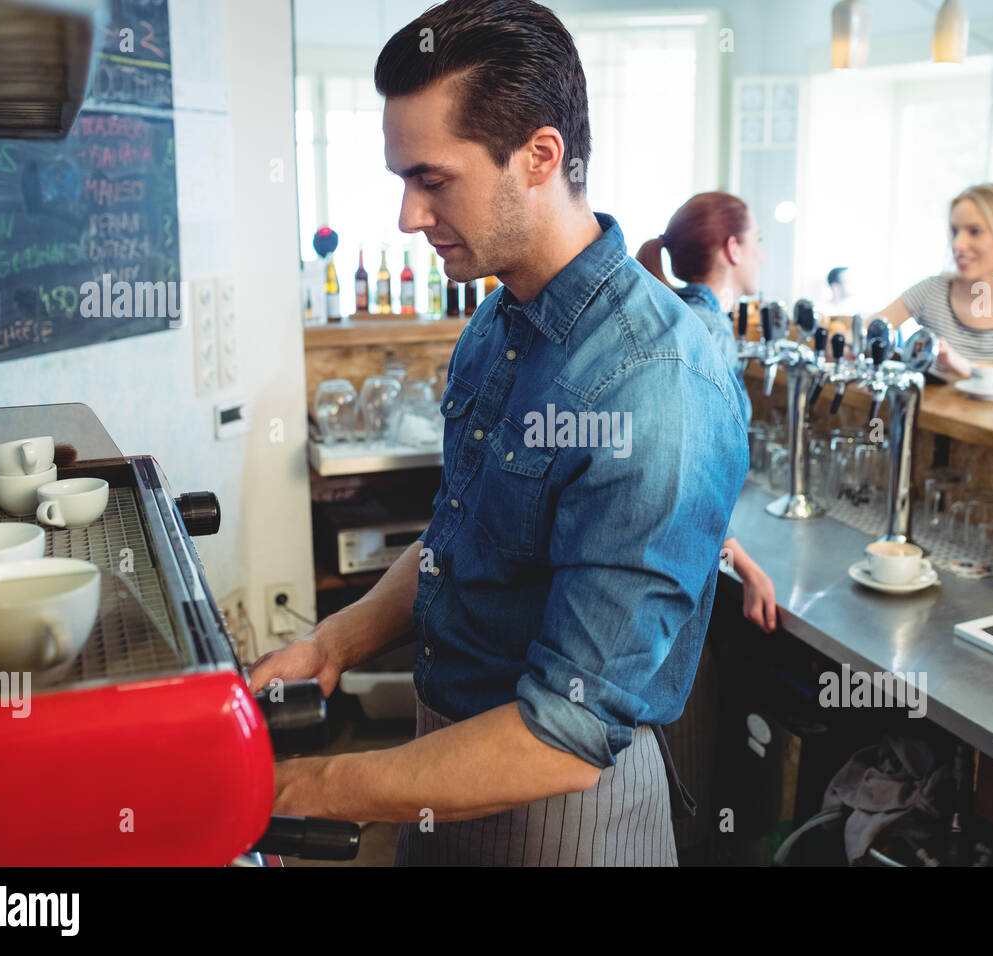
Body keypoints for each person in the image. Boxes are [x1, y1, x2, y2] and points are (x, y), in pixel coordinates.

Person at [250, 0, 749, 867]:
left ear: (539, 156)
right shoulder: (498, 322)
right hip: (444, 778)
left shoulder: (657, 383)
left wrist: (307, 785)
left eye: (432, 179)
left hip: (558, 814)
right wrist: (333, 643)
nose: (408, 215)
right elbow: (462, 541)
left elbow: (562, 736)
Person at [636, 193, 777, 634]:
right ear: (733, 249)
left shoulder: (674, 316)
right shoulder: (708, 333)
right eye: (757, 239)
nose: (762, 252)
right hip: (666, 567)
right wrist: (746, 567)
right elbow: (687, 484)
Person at [872, 183, 993, 399]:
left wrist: (969, 369)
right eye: (955, 231)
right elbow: (870, 331)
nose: (958, 243)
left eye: (974, 231)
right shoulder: (932, 290)